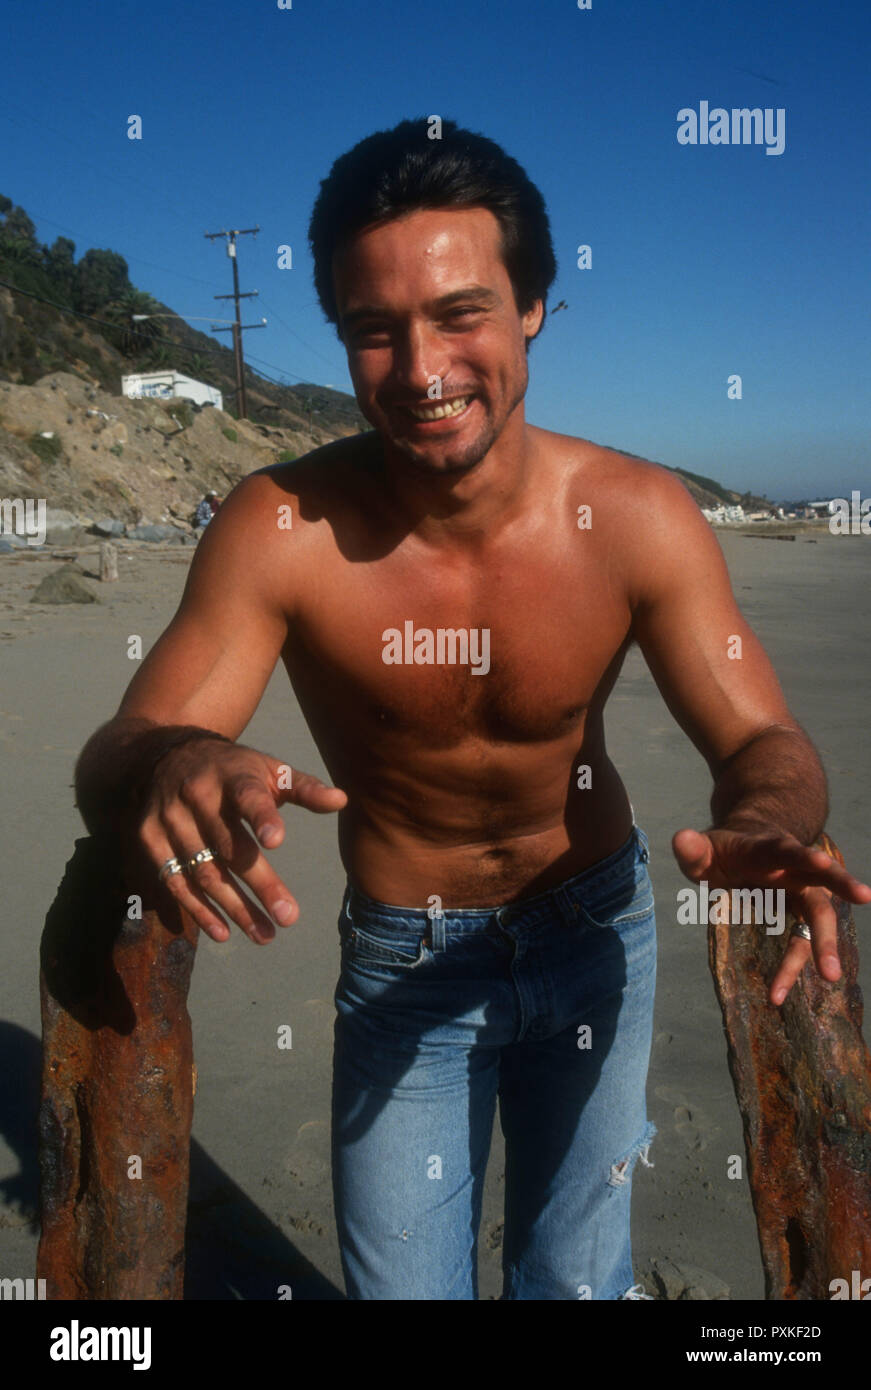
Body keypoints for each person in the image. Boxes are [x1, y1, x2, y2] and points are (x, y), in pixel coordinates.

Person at [74, 117, 871, 1301]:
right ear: (343, 340)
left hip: (598, 935)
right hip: (410, 959)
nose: (424, 367)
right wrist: (174, 759)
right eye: (375, 331)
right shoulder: (280, 528)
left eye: (461, 313)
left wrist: (770, 818)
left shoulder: (637, 514)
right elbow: (115, 753)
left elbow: (761, 737)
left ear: (534, 305)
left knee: (575, 1278)